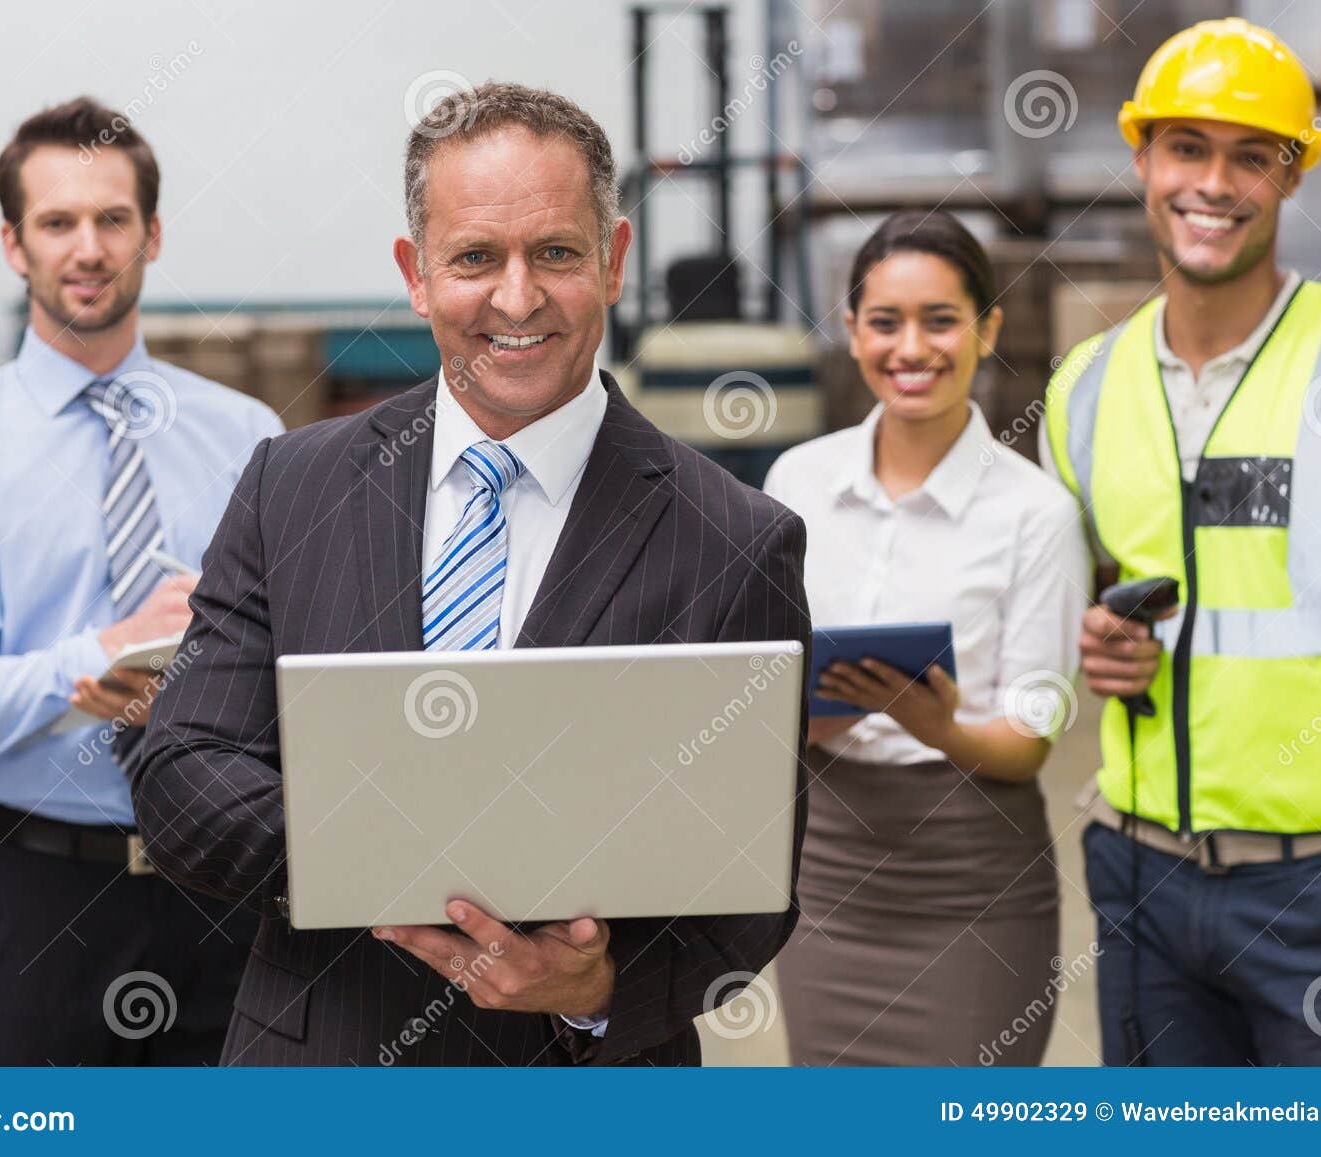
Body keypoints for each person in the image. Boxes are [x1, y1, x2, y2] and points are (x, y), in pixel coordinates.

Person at [129, 81, 812, 1066]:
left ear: (614, 259)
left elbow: (754, 889)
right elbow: (181, 765)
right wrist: (387, 855)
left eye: (558, 253)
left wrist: (600, 984)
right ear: (416, 273)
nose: (518, 297)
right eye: (475, 258)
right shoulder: (294, 487)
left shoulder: (736, 538)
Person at [0, 97, 283, 1065]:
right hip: (47, 905)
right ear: (16, 245)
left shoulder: (250, 439)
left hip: (233, 892)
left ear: (151, 233)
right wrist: (88, 664)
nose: (88, 247)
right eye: (57, 221)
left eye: (112, 219)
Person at [1042, 17, 1321, 1066]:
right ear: (1141, 158)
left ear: (1290, 179)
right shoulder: (1084, 390)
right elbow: (1111, 605)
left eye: (1253, 156)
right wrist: (1105, 644)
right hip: (1143, 880)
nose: (1215, 183)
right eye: (1187, 147)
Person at [765, 210, 1089, 1065]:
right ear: (852, 331)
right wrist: (822, 714)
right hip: (825, 870)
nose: (912, 348)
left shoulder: (1036, 515)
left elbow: (1030, 739)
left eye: (940, 320)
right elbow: (765, 695)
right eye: (885, 322)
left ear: (986, 329)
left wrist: (930, 722)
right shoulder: (796, 482)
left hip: (970, 879)